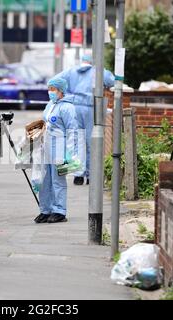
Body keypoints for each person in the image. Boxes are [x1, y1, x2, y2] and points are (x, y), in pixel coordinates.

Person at [56, 54, 115, 185]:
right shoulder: (98, 71)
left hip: (74, 107)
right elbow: (112, 81)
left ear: (82, 61)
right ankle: (90, 175)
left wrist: (68, 95)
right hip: (91, 107)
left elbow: (54, 81)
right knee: (91, 142)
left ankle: (77, 175)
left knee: (76, 141)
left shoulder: (71, 71)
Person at [34, 77, 79, 224]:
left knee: (58, 180)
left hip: (61, 147)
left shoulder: (68, 108)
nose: (50, 92)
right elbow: (45, 122)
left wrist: (71, 153)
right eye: (49, 88)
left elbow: (73, 131)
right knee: (44, 180)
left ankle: (59, 211)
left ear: (61, 90)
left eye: (53, 89)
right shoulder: (51, 104)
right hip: (46, 145)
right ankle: (45, 210)